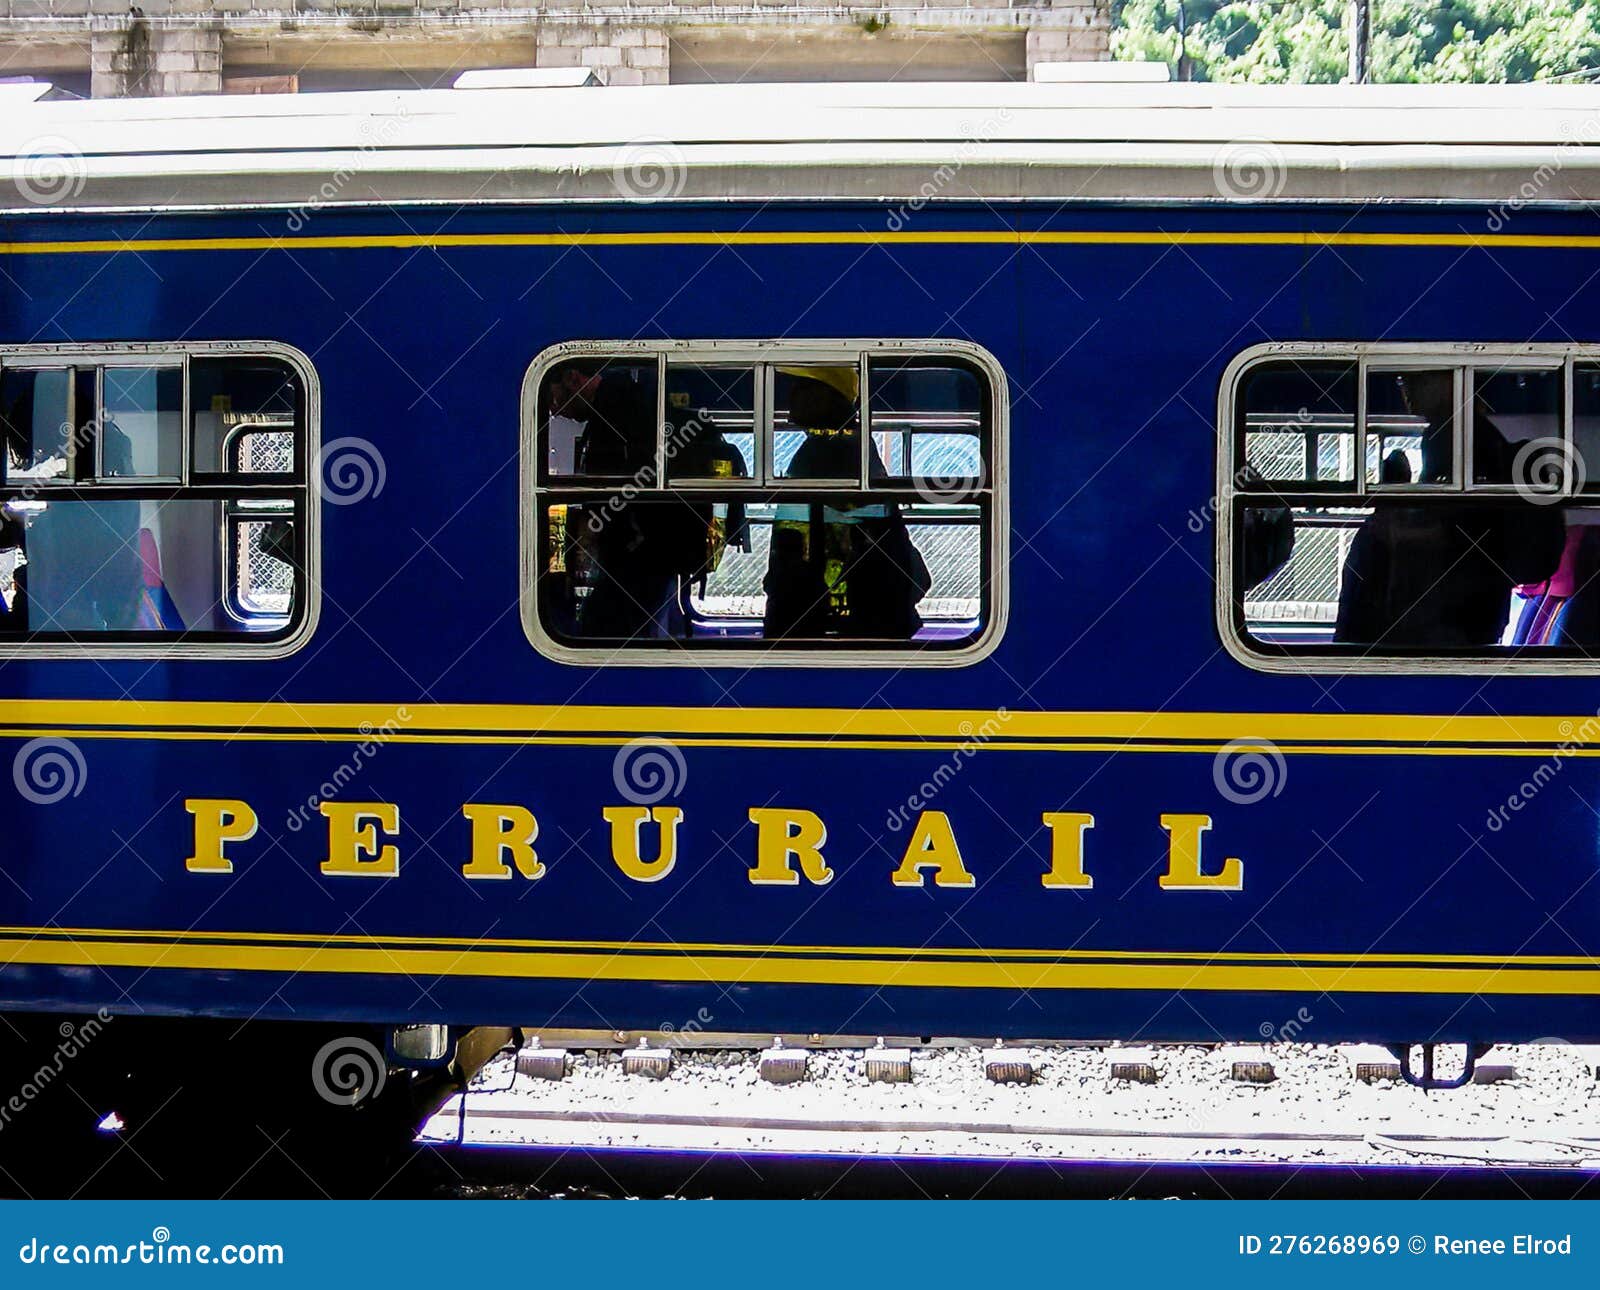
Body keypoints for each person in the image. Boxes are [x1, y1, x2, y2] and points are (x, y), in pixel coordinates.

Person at [1334, 376, 1564, 648]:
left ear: (1453, 380)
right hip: (1450, 623)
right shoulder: (1453, 441)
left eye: (1418, 379)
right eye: (1401, 381)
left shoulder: (1464, 442)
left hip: (1441, 624)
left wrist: (1396, 525)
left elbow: (1453, 537)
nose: (1406, 389)